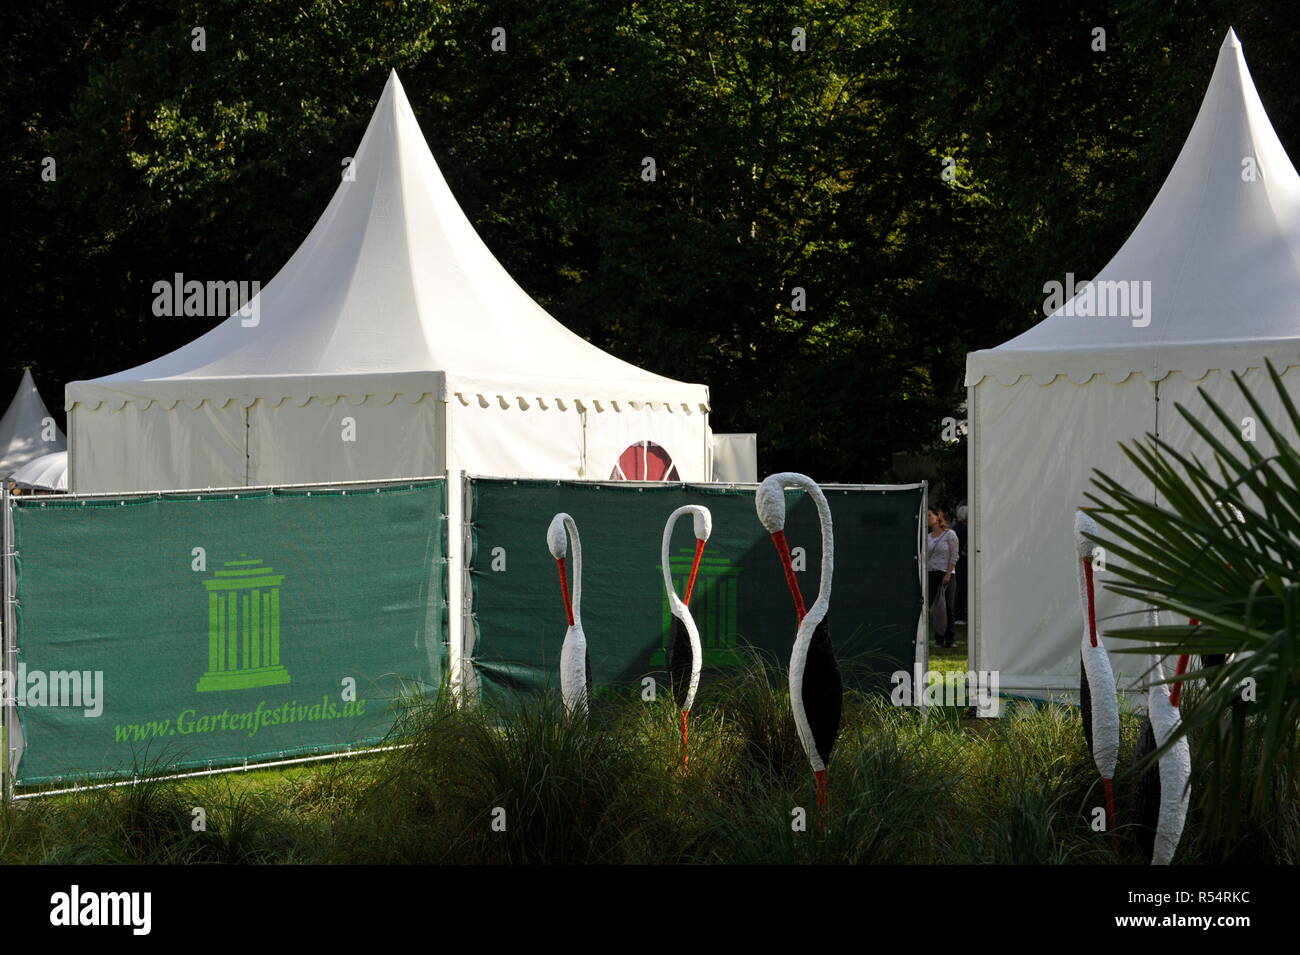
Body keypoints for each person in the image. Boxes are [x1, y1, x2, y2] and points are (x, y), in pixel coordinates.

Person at [926, 507, 959, 648]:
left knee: (948, 607)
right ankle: (938, 638)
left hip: (947, 574)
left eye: (929, 515)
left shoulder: (950, 534)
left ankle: (950, 639)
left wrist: (947, 574)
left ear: (937, 516)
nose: (927, 518)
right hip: (931, 573)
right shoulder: (927, 537)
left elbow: (954, 555)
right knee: (935, 608)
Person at [952, 504, 969, 624]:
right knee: (961, 588)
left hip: (956, 561)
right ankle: (958, 616)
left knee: (958, 587)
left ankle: (957, 614)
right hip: (961, 561)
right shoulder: (964, 529)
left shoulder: (955, 527)